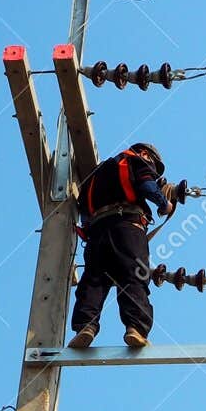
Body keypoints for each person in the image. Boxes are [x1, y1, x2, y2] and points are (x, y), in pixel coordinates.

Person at [68, 142, 175, 349]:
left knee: (94, 280)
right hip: (127, 228)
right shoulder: (136, 161)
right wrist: (165, 204)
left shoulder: (96, 175)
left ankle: (85, 326)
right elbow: (147, 186)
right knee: (133, 275)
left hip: (97, 235)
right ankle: (136, 327)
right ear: (145, 154)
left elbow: (83, 209)